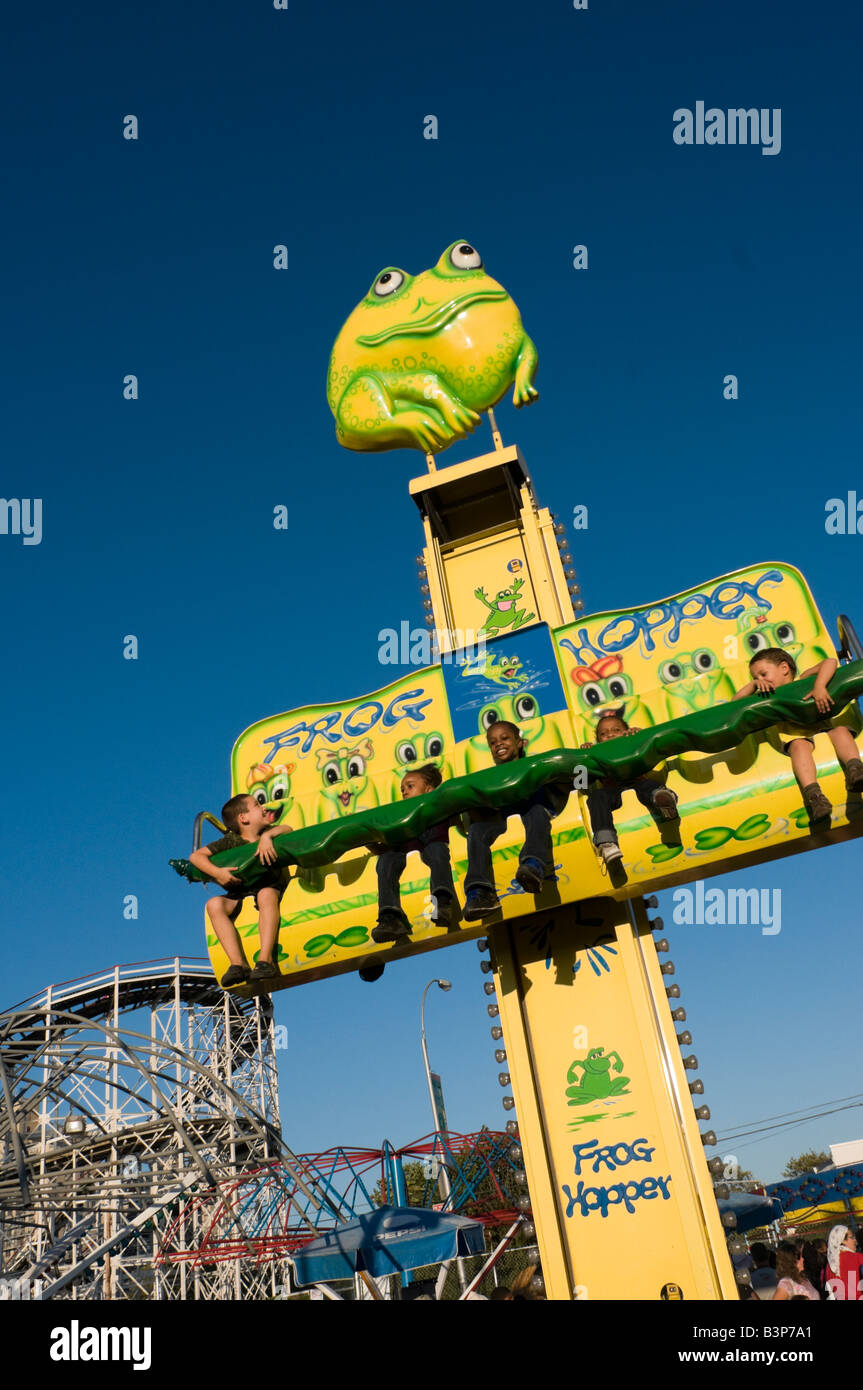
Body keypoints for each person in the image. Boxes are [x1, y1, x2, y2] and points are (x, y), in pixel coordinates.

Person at [734, 648, 863, 822]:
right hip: (798, 739)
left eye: (763, 674)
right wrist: (753, 686)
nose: (760, 680)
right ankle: (815, 797)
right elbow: (734, 705)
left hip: (825, 730)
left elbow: (830, 662)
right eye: (756, 678)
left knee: (841, 730)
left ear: (784, 668)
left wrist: (819, 686)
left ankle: (856, 770)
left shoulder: (805, 680)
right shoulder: (765, 697)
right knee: (799, 745)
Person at [462, 721, 570, 920]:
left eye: (505, 738)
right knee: (476, 830)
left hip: (534, 811)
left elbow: (576, 779)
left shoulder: (536, 765)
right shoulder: (490, 778)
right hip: (502, 818)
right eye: (492, 742)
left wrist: (580, 784)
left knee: (537, 811)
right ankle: (479, 893)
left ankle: (533, 866)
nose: (498, 744)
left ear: (520, 742)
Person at [188, 792, 291, 987]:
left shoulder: (267, 832)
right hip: (241, 889)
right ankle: (238, 963)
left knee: (266, 895)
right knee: (214, 904)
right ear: (243, 818)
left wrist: (268, 836)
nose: (263, 807)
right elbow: (196, 857)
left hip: (268, 885)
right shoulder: (231, 841)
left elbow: (288, 828)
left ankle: (265, 960)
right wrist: (218, 873)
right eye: (256, 804)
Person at [581, 709, 679, 875]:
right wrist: (584, 757)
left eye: (616, 730)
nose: (610, 735)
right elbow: (582, 785)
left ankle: (664, 802)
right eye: (603, 734)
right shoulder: (595, 755)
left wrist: (639, 737)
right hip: (612, 790)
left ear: (626, 732)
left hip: (638, 782)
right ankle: (607, 844)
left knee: (649, 787)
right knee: (596, 797)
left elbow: (652, 753)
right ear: (598, 740)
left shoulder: (632, 742)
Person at [371, 764, 460, 943]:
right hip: (404, 851)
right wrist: (371, 841)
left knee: (437, 850)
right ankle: (390, 916)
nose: (404, 792)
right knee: (385, 860)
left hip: (432, 846)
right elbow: (387, 845)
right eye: (402, 789)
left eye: (410, 786)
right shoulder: (402, 816)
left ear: (429, 790)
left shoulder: (439, 808)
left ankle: (441, 901)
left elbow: (457, 817)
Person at [825, 1224, 863, 1300]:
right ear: (842, 1240)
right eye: (851, 1237)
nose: (855, 1240)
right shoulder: (857, 1258)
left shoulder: (830, 1265)